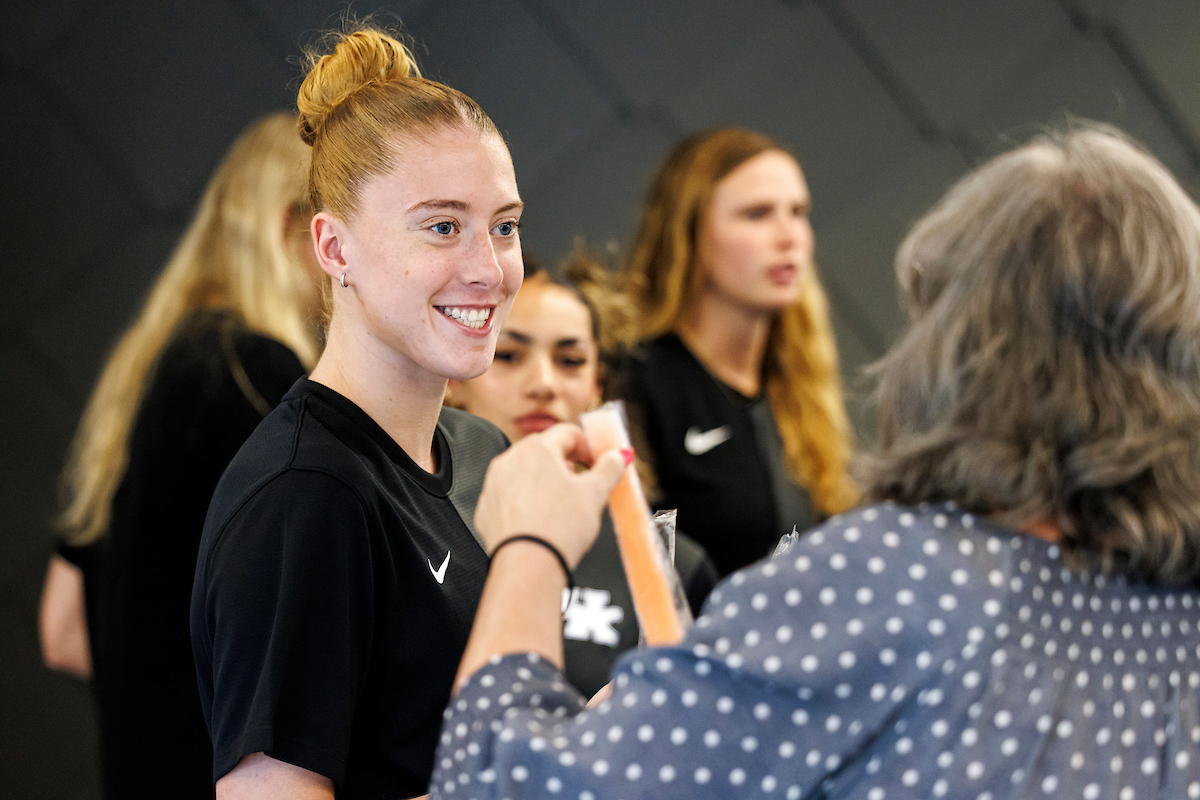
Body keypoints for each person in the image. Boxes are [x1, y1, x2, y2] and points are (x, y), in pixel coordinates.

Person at [430, 125, 1200, 800]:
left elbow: (504, 785)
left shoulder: (899, 584)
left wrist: (529, 551)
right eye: (758, 213)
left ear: (958, 346)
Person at [188, 24, 523, 799]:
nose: (490, 269)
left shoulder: (471, 452)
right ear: (333, 249)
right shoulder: (306, 496)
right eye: (442, 227)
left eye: (503, 226)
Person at [37, 111, 322, 800]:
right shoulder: (258, 375)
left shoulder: (143, 369)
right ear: (292, 227)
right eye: (338, 233)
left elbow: (63, 630)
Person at [446, 255, 719, 696]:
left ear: (597, 384)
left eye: (570, 360)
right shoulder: (411, 529)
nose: (543, 383)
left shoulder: (669, 563)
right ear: (457, 375)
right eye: (509, 355)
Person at [615, 128, 858, 576]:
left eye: (799, 212)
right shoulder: (636, 381)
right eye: (757, 214)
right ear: (688, 232)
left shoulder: (799, 386)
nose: (789, 237)